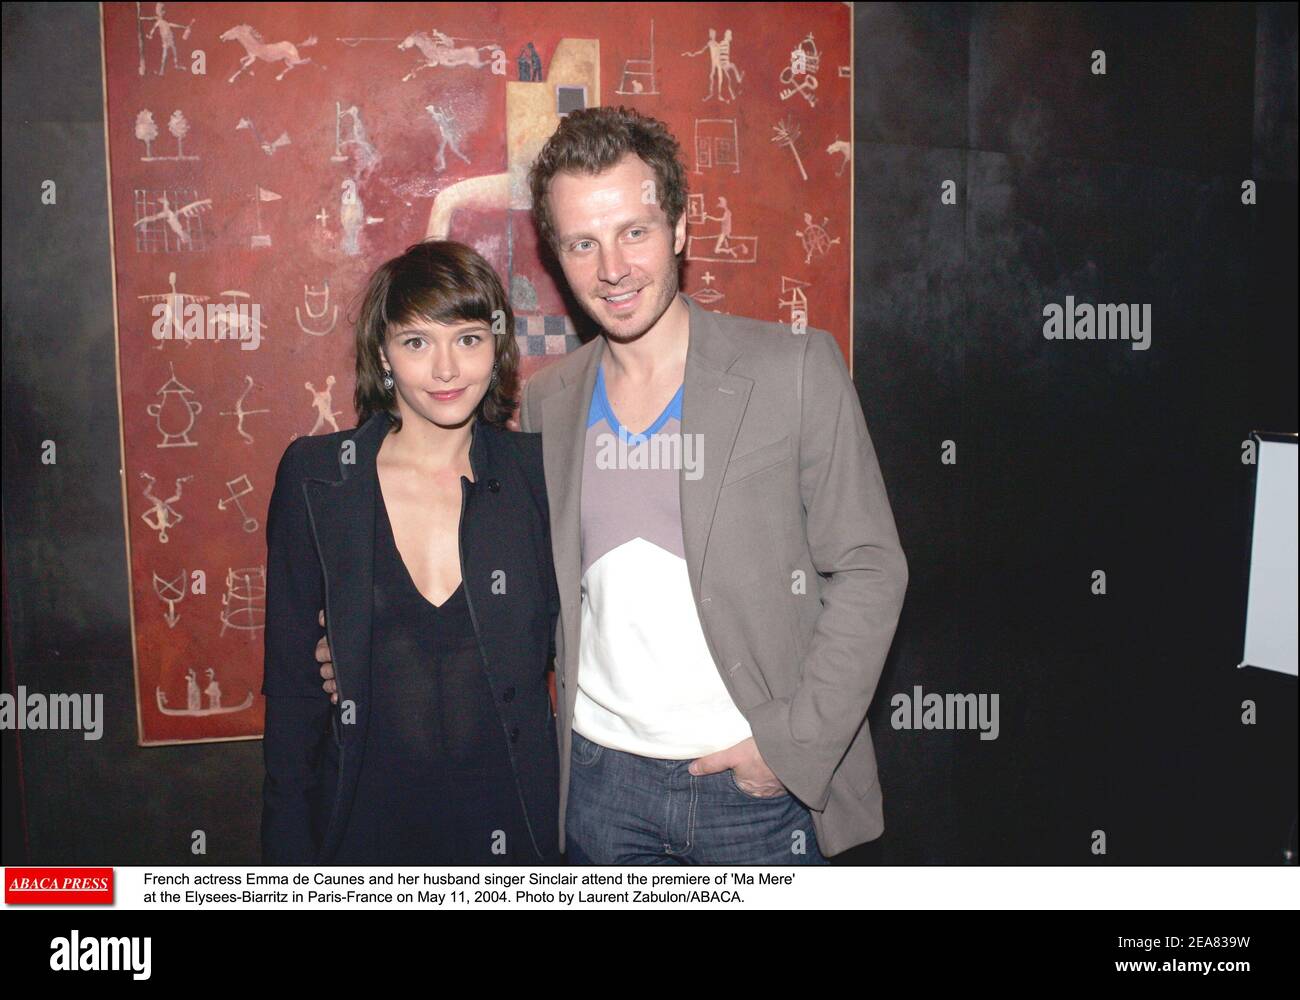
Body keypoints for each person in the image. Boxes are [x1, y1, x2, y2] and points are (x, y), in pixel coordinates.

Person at [322, 107, 909, 864]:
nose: (613, 268)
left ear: (682, 230)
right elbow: (510, 589)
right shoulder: (546, 402)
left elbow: (869, 566)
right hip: (598, 790)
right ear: (557, 257)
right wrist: (370, 647)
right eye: (582, 243)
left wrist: (793, 747)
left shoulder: (792, 370)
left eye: (635, 231)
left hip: (757, 795)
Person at [261, 239, 561, 865]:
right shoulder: (319, 479)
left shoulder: (539, 475)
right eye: (418, 342)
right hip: (363, 835)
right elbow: (291, 691)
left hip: (513, 831)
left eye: (469, 339)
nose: (446, 370)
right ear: (383, 353)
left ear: (498, 349)